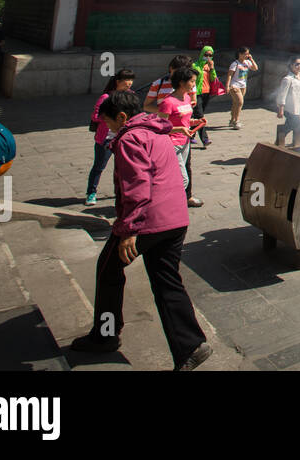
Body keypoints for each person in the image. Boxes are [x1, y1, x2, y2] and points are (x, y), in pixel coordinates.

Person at [69, 91, 211, 370]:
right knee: (166, 280)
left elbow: (137, 186)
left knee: (108, 270)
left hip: (148, 221)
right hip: (176, 218)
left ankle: (105, 336)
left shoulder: (130, 138)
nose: (108, 129)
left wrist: (129, 230)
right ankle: (191, 345)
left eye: (109, 123)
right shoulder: (157, 131)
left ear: (122, 117)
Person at [157, 68, 204, 208]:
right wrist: (180, 129)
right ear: (182, 82)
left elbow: (184, 120)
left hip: (185, 143)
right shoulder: (168, 102)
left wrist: (194, 122)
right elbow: (160, 127)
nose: (194, 85)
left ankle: (170, 204)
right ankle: (167, 205)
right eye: (192, 81)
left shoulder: (187, 98)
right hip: (172, 144)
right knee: (182, 179)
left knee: (177, 177)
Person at [86, 69, 134, 205]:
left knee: (124, 168)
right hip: (106, 139)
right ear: (118, 82)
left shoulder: (130, 96)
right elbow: (95, 116)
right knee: (99, 167)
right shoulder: (106, 97)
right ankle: (91, 192)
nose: (129, 83)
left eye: (131, 80)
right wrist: (113, 117)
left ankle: (122, 192)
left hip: (123, 138)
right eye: (127, 80)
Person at [274, 58, 300, 147]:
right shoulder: (287, 79)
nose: (299, 66)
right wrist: (281, 109)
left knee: (290, 125)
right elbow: (282, 94)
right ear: (291, 65)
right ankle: (291, 143)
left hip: (298, 107)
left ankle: (281, 142)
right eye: (297, 64)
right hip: (289, 108)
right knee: (298, 127)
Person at [190, 47, 218, 149]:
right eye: (206, 55)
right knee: (200, 116)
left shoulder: (209, 66)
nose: (208, 57)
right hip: (196, 93)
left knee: (197, 115)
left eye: (210, 55)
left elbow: (213, 79)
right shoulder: (195, 65)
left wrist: (212, 68)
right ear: (202, 54)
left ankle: (191, 134)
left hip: (207, 93)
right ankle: (205, 139)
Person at [225, 47, 257, 129]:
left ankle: (232, 120)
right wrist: (227, 86)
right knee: (240, 102)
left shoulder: (247, 62)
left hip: (243, 86)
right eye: (245, 54)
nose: (247, 55)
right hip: (235, 85)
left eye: (248, 54)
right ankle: (236, 120)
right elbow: (229, 75)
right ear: (240, 54)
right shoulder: (235, 64)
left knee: (236, 103)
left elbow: (255, 68)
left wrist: (252, 59)